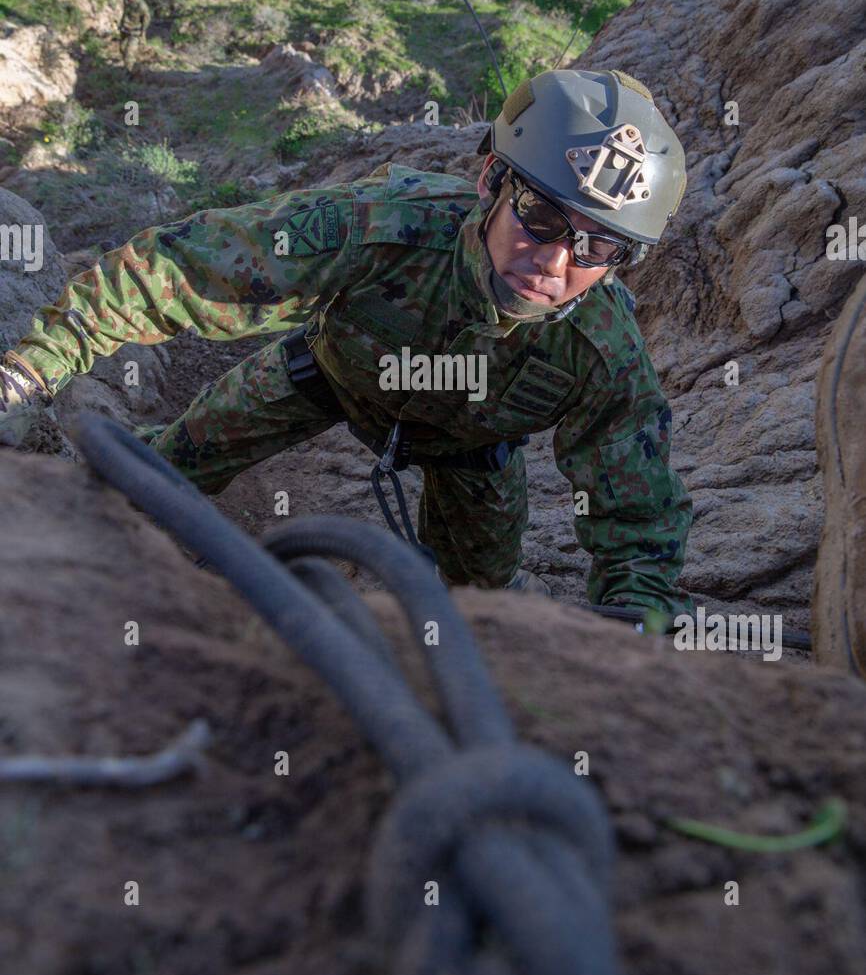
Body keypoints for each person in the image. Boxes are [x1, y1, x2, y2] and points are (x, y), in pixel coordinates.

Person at [1, 68, 695, 615]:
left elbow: (636, 514)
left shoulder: (602, 348)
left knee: (483, 609)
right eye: (540, 214)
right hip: (324, 377)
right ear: (491, 182)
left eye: (599, 244)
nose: (556, 260)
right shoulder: (383, 227)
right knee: (155, 480)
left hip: (472, 456)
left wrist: (637, 624)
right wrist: (30, 373)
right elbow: (183, 270)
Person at [118, 0, 150, 73]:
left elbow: (146, 18)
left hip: (135, 32)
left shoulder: (141, 5)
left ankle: (129, 75)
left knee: (129, 54)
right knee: (122, 49)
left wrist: (143, 32)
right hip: (125, 29)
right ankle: (135, 69)